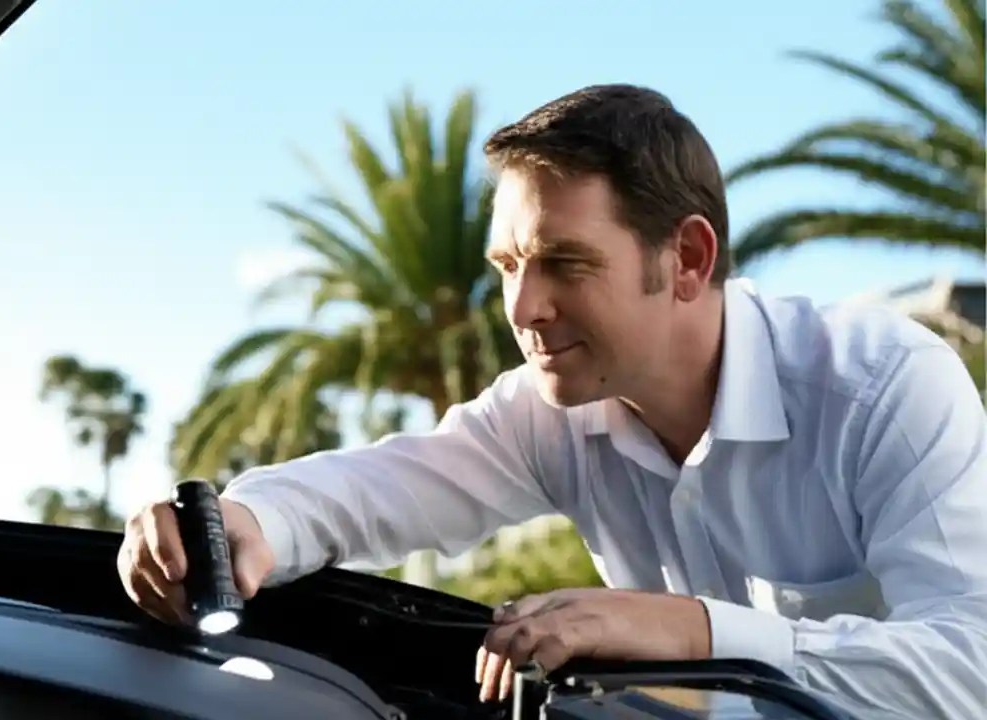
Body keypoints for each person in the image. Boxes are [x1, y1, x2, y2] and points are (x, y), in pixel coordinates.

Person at [116, 84, 987, 719]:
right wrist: (245, 523)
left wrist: (690, 629)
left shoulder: (882, 389)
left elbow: (969, 674)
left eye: (564, 264)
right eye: (507, 267)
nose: (523, 309)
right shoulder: (550, 413)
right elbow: (377, 486)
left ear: (686, 259)